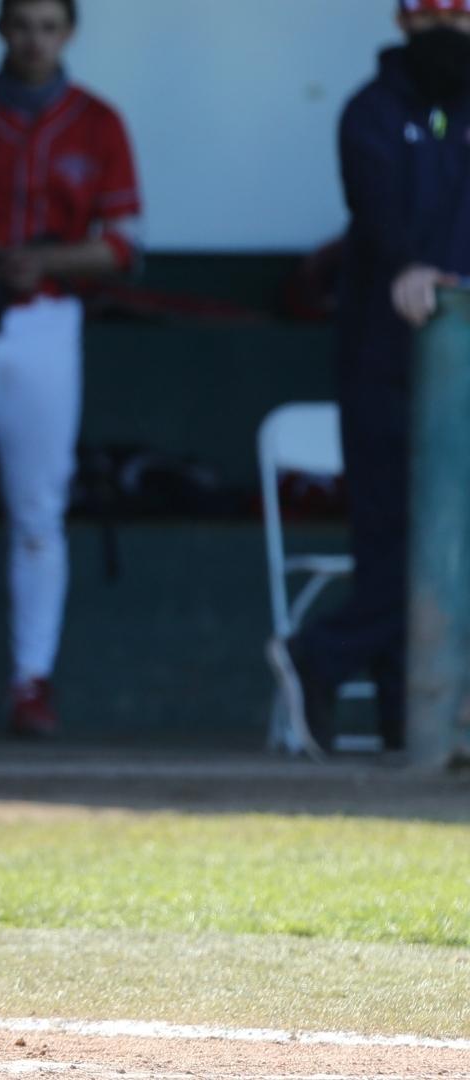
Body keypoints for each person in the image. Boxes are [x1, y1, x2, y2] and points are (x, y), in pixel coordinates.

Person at [270, 0, 470, 758]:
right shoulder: (370, 110)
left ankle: (376, 693)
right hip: (383, 359)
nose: (449, 37)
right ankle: (361, 686)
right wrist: (409, 267)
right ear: (404, 25)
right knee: (391, 542)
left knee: (452, 545)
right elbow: (380, 211)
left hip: (462, 359)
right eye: (432, 22)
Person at [0, 0, 142, 737]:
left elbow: (125, 244)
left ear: (68, 34)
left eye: (49, 26)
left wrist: (46, 260)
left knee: (39, 510)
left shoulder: (98, 120)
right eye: (22, 24)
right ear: (0, 29)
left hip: (48, 319)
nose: (34, 39)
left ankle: (31, 680)